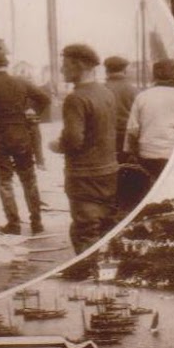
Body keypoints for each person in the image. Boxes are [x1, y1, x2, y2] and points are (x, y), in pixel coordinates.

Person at [52, 44, 121, 254]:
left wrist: (57, 145)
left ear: (78, 65)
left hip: (84, 175)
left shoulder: (76, 98)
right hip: (108, 171)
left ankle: (86, 271)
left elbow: (74, 139)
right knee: (106, 226)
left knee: (85, 231)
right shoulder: (106, 92)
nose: (62, 70)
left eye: (65, 65)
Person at [0, 50, 51, 235]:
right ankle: (36, 223)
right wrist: (33, 112)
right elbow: (44, 98)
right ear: (6, 65)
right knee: (29, 180)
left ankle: (13, 224)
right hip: (21, 136)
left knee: (5, 181)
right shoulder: (21, 82)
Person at [125, 58, 174, 181]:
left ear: (155, 75)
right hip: (173, 154)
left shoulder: (142, 97)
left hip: (147, 154)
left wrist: (132, 155)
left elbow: (132, 131)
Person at [101, 56, 139, 163]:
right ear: (125, 70)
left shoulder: (101, 89)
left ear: (106, 71)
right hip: (126, 136)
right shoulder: (133, 90)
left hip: (104, 135)